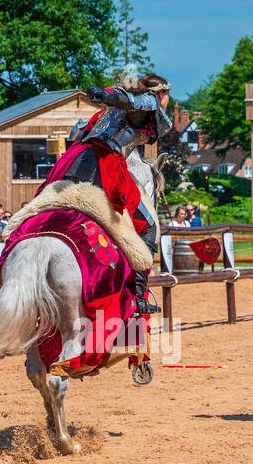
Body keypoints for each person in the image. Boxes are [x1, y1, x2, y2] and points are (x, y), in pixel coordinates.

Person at [53, 73, 174, 315]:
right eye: (168, 95)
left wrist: (104, 97)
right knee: (149, 225)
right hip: (104, 164)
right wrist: (106, 94)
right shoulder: (149, 101)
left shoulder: (102, 114)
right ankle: (139, 296)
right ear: (162, 93)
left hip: (71, 162)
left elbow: (77, 132)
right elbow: (128, 100)